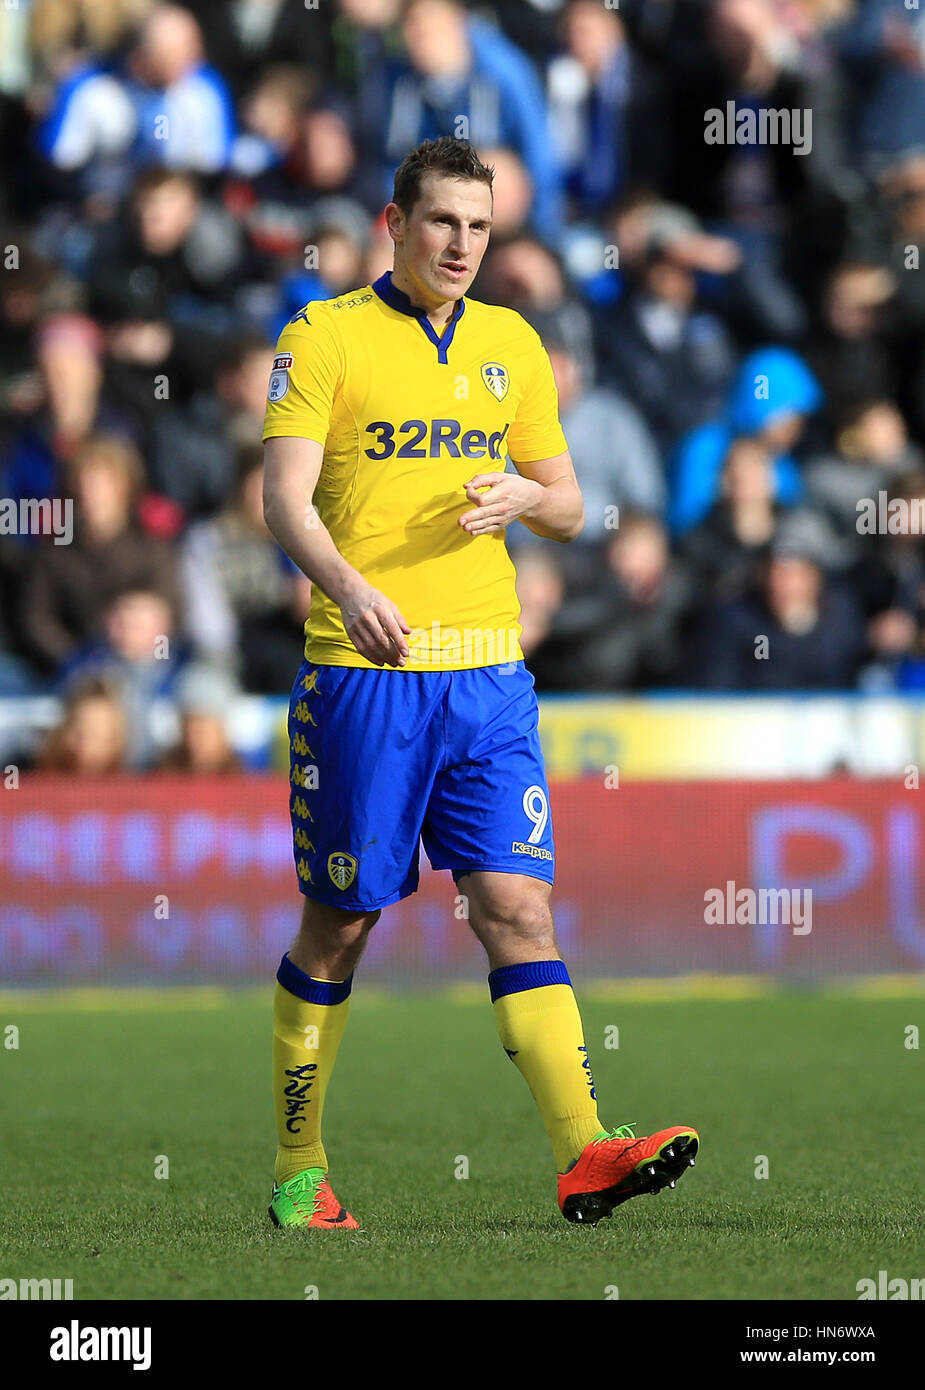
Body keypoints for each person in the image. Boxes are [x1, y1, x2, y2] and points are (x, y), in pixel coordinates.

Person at [261, 137, 699, 1230]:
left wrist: (520, 496)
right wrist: (353, 590)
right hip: (367, 674)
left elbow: (567, 502)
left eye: (479, 227)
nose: (462, 245)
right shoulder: (325, 335)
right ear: (394, 221)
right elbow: (283, 501)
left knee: (515, 904)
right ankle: (298, 1167)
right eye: (443, 222)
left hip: (491, 677)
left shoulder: (513, 343)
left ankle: (583, 1149)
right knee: (342, 925)